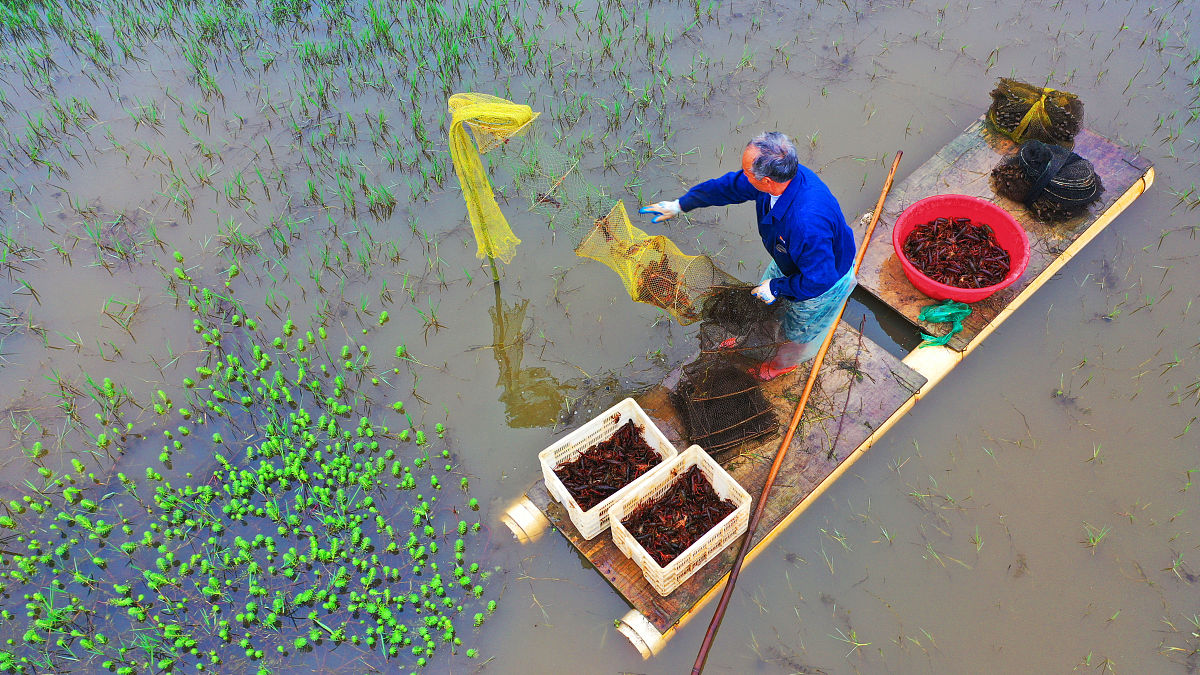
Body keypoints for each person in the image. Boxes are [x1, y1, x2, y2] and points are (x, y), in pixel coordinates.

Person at [639, 131, 856, 381]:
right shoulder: (779, 180)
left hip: (824, 282)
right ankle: (761, 334)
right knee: (765, 304)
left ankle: (782, 365)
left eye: (747, 172)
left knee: (799, 329)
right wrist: (680, 205)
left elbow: (820, 278)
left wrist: (777, 287)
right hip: (792, 260)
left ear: (765, 181)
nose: (743, 176)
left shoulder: (806, 222)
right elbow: (728, 188)